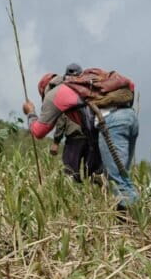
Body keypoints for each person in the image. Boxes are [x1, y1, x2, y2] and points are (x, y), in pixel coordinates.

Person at [23, 70, 140, 209]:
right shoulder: (81, 85)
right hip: (130, 117)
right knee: (122, 178)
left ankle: (129, 225)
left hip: (110, 122)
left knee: (117, 180)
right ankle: (129, 221)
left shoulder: (54, 94)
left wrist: (30, 112)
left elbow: (38, 131)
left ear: (45, 90)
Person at [49, 63, 102, 183]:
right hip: (92, 138)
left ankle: (76, 197)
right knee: (93, 174)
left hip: (75, 139)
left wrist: (56, 142)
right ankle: (94, 197)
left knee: (70, 173)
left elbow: (62, 119)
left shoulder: (66, 93)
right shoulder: (89, 91)